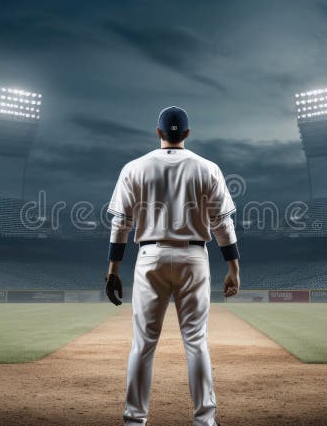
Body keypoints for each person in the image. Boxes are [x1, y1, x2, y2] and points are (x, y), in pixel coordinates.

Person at [105, 106, 241, 426]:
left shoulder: (134, 168)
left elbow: (121, 223)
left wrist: (113, 269)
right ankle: (205, 420)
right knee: (196, 342)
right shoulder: (207, 168)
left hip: (149, 256)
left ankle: (134, 420)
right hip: (194, 257)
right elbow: (222, 224)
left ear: (158, 133)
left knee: (143, 344)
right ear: (188, 135)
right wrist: (233, 268)